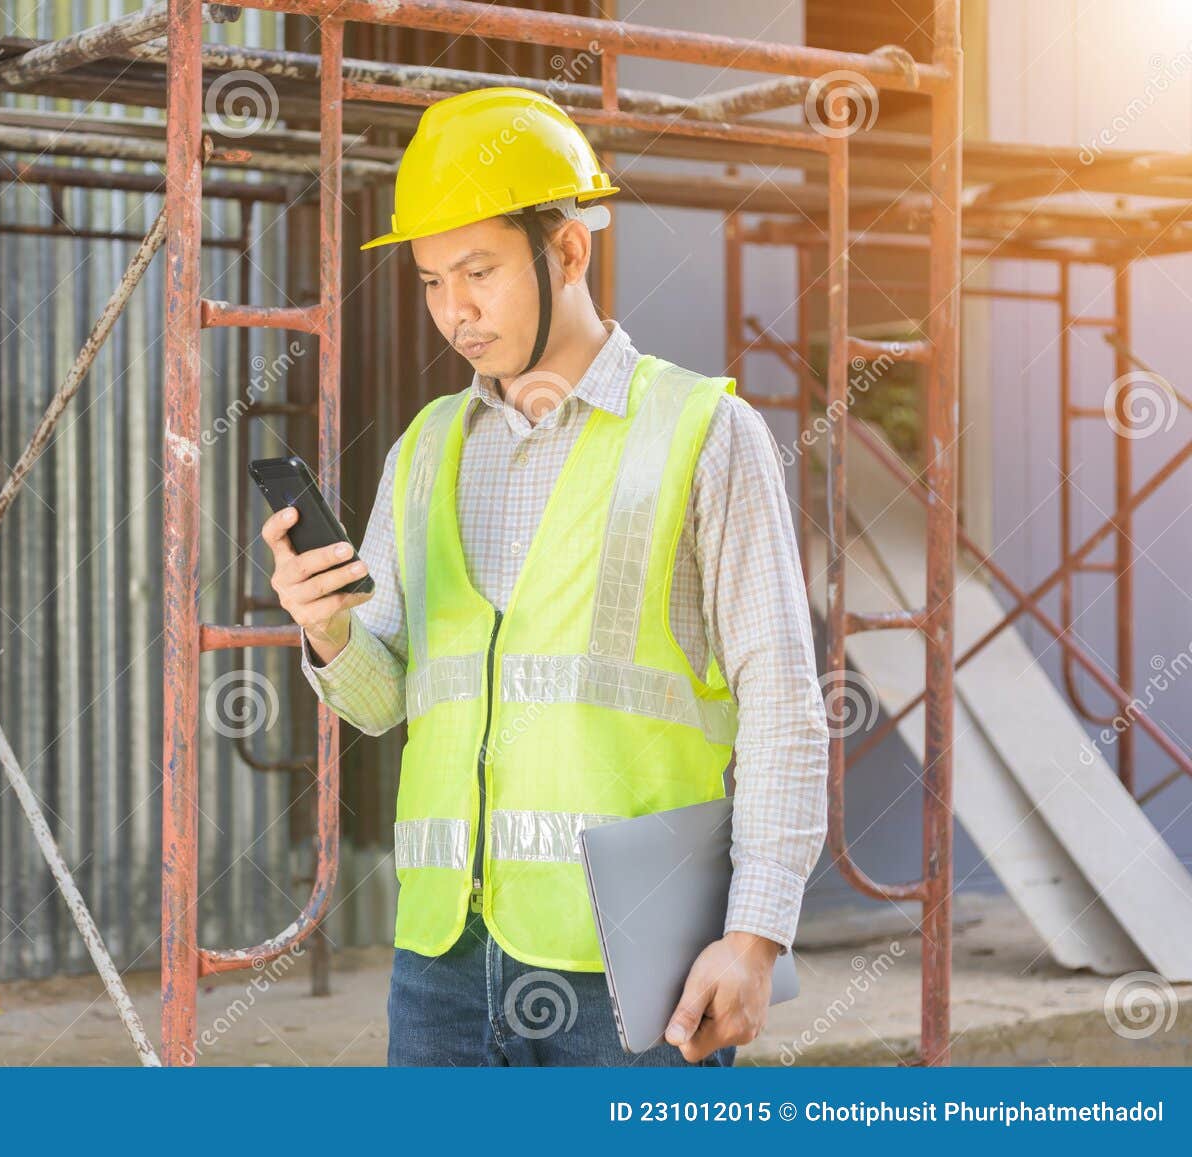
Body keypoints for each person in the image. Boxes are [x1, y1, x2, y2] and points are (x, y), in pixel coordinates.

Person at [259, 87, 828, 1067]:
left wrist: (756, 936)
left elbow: (783, 699)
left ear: (567, 251)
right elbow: (386, 699)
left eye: (477, 271)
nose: (454, 312)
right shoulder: (426, 446)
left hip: (630, 965)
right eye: (432, 280)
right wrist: (329, 633)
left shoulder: (702, 432)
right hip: (440, 963)